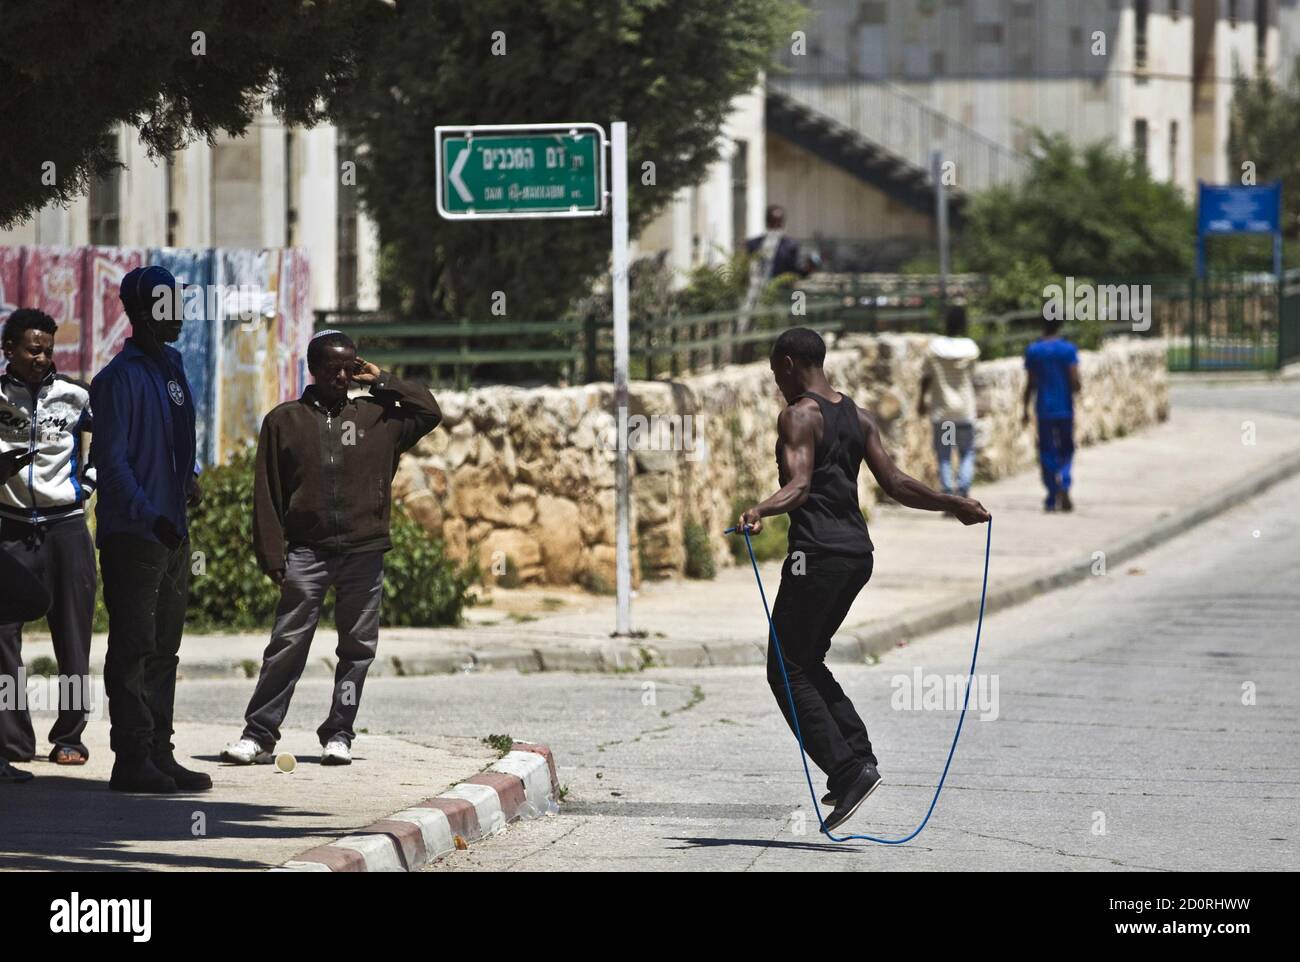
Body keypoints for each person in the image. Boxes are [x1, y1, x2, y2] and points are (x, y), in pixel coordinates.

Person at [737, 327, 989, 832]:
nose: (776, 384)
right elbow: (895, 483)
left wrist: (760, 508)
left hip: (818, 556)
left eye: (774, 372)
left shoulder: (797, 415)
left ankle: (849, 770)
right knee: (807, 659)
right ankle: (859, 758)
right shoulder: (858, 416)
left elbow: (799, 486)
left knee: (785, 668)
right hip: (857, 554)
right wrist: (952, 501)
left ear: (788, 363)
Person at [221, 331, 441, 767]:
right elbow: (266, 493)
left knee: (357, 650)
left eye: (349, 367)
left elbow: (429, 410)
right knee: (286, 645)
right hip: (307, 553)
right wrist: (271, 554)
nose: (341, 375)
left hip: (365, 551)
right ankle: (259, 734)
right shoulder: (285, 421)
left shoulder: (379, 416)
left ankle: (339, 732)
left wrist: (382, 379)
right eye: (331, 368)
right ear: (313, 369)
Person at [91, 265, 209, 793]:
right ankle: (131, 758)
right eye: (168, 304)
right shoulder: (114, 381)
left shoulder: (175, 365)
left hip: (173, 532)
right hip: (136, 536)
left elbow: (178, 439)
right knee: (134, 647)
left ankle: (160, 752)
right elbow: (111, 466)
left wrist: (193, 479)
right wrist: (150, 517)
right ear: (142, 313)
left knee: (165, 648)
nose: (178, 312)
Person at [0, 309, 98, 775]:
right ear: (9, 351)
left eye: (47, 349)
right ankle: (13, 741)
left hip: (66, 530)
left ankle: (69, 736)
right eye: (31, 349)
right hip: (9, 529)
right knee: (3, 639)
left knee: (74, 637)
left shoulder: (75, 394)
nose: (41, 357)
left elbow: (106, 440)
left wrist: (89, 482)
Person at [919, 304, 980, 499]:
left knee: (945, 454)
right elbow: (973, 377)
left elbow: (926, 377)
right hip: (964, 412)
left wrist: (921, 400)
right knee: (966, 453)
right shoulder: (970, 349)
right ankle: (962, 488)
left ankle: (947, 492)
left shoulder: (936, 349)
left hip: (944, 412)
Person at [1022, 316, 1081, 512]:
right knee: (1066, 449)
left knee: (1046, 452)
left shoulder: (1034, 351)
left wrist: (1024, 407)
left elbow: (1030, 383)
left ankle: (1051, 495)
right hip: (1064, 408)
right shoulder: (1068, 350)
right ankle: (1064, 482)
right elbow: (1074, 380)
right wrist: (1077, 388)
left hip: (1044, 408)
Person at [746, 205, 814, 282]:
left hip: (781, 287)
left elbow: (797, 271)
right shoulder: (753, 244)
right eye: (772, 222)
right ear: (767, 222)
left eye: (779, 222)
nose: (776, 226)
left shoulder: (791, 245)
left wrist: (809, 268)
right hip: (757, 287)